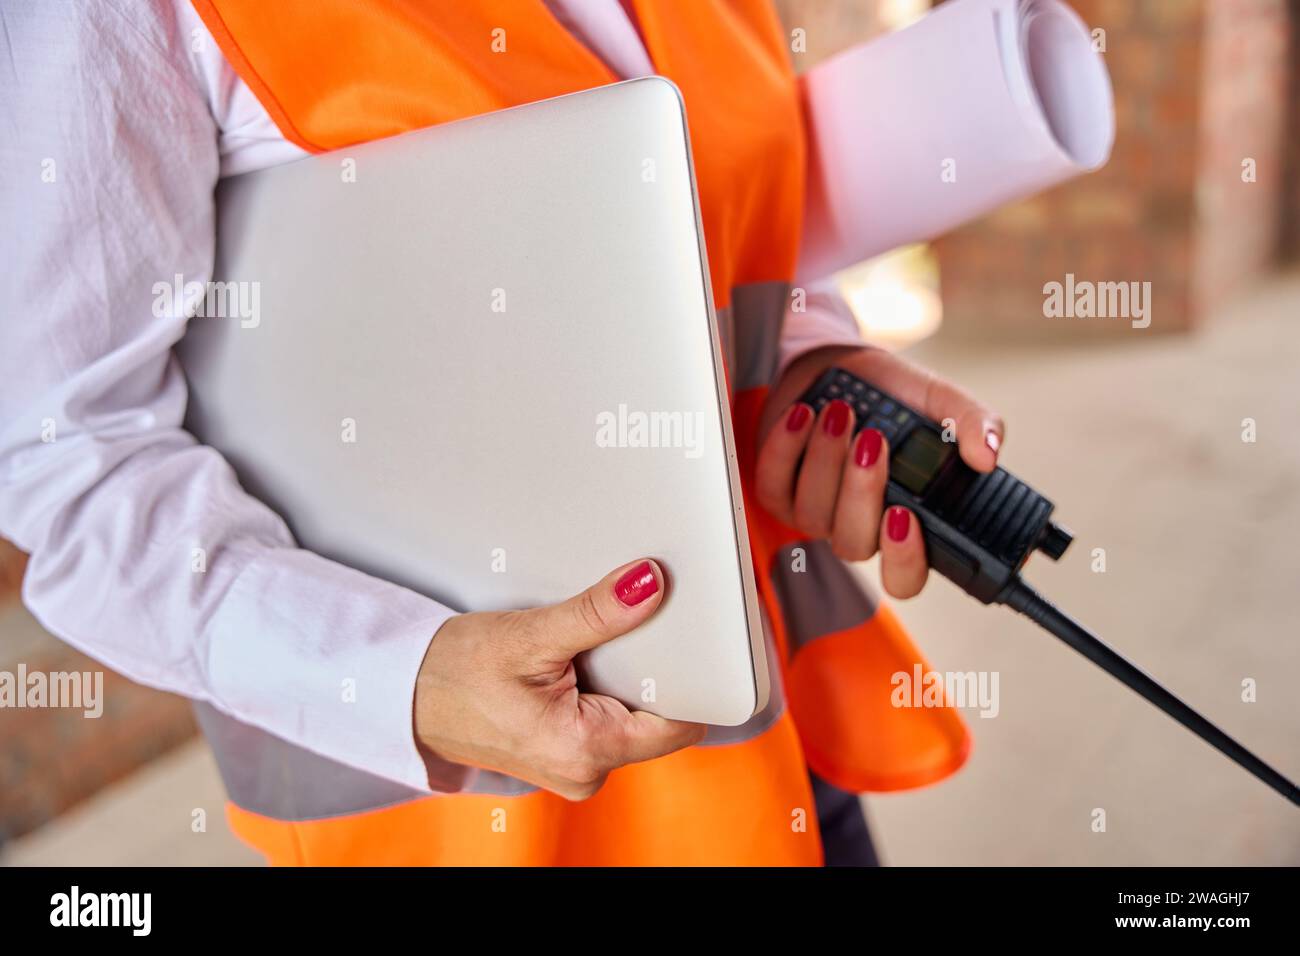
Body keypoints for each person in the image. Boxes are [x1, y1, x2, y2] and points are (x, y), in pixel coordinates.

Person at [0, 0, 1003, 865]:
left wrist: (807, 359)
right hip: (467, 828)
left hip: (771, 755)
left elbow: (705, 222)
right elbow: (68, 453)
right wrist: (403, 674)